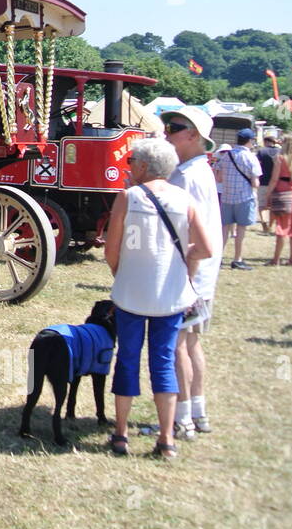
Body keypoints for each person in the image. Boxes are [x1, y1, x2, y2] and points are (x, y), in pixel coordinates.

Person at [106, 138, 213, 460]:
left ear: (142, 166)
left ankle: (121, 434)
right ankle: (166, 439)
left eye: (132, 161)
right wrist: (180, 258)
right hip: (170, 295)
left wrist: (122, 274)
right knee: (163, 362)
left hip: (131, 293)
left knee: (127, 360)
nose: (130, 166)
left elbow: (111, 249)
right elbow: (206, 249)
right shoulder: (185, 199)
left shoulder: (128, 197)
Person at [162, 106, 222, 439]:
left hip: (190, 272)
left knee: (176, 347)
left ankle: (179, 419)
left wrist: (184, 277)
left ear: (193, 135)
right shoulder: (199, 170)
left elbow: (186, 232)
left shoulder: (185, 175)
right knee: (193, 344)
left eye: (173, 128)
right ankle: (197, 412)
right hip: (202, 274)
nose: (167, 133)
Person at [214, 128, 261, 269]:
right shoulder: (251, 157)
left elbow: (219, 178)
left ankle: (219, 257)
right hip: (244, 197)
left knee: (224, 230)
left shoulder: (226, 156)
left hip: (227, 197)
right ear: (249, 141)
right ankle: (237, 258)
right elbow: (255, 183)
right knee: (240, 230)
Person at [261, 135, 292, 266]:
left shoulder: (280, 158)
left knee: (282, 226)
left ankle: (276, 259)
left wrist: (268, 194)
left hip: (284, 191)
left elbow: (274, 179)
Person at [257, 132, 282, 234]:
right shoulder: (280, 151)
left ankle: (264, 224)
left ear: (266, 141)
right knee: (273, 206)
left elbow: (257, 165)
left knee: (262, 205)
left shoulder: (261, 151)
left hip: (263, 181)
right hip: (277, 182)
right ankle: (272, 225)